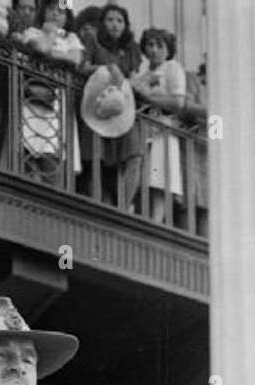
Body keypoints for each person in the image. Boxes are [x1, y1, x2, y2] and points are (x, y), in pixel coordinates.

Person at [83, 3, 142, 208]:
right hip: (96, 105)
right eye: (110, 20)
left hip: (121, 107)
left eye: (120, 21)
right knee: (96, 160)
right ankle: (100, 206)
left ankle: (124, 206)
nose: (115, 25)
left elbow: (134, 78)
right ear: (102, 23)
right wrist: (107, 68)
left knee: (134, 153)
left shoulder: (130, 49)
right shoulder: (93, 41)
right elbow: (81, 66)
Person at [131, 26, 185, 223]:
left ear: (168, 49)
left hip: (163, 124)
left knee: (160, 174)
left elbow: (178, 102)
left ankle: (156, 219)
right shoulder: (142, 71)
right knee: (142, 172)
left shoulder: (172, 68)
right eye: (150, 45)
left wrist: (148, 97)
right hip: (144, 126)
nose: (154, 50)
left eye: (160, 45)